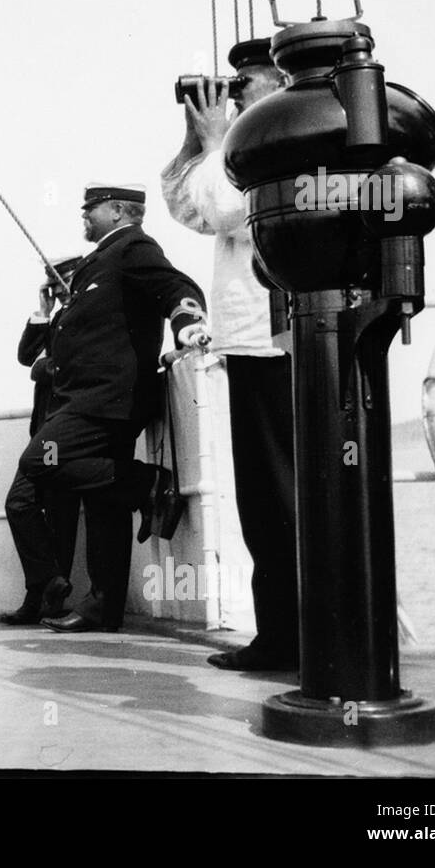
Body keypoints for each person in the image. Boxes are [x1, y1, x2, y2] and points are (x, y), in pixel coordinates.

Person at [4, 184, 209, 633]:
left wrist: (188, 326)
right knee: (102, 505)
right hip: (93, 399)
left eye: (90, 208)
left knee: (39, 462)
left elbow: (176, 286)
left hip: (107, 399)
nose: (84, 214)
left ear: (118, 211)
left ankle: (146, 482)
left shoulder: (132, 247)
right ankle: (104, 606)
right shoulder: (97, 264)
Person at [160, 37, 299, 671]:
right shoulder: (247, 151)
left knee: (283, 499)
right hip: (256, 346)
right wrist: (199, 144)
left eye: (248, 82)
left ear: (284, 87)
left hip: (281, 347)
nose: (234, 90)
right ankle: (284, 635)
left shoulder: (285, 147)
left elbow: (224, 206)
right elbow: (191, 209)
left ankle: (295, 639)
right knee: (266, 502)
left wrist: (219, 144)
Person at [3, 255, 85, 625]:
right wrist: (42, 312)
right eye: (54, 283)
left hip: (67, 432)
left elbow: (69, 366)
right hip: (46, 434)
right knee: (23, 503)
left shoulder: (89, 314)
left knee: (59, 512)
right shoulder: (57, 318)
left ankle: (47, 596)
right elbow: (24, 356)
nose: (59, 288)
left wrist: (43, 367)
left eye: (64, 280)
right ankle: (45, 586)